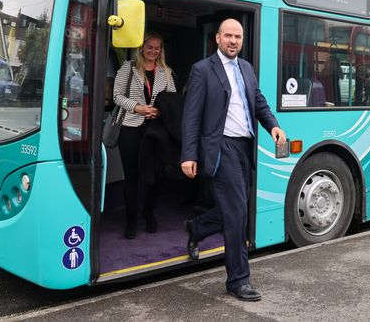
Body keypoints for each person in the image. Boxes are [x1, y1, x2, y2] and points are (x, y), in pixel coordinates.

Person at [180, 18, 286, 302]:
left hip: (243, 148)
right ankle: (238, 280)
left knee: (235, 206)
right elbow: (191, 117)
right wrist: (189, 154)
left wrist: (273, 125)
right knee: (238, 212)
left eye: (237, 36)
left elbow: (259, 101)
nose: (233, 41)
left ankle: (197, 227)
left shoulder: (247, 68)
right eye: (228, 36)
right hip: (220, 148)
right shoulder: (202, 70)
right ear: (217, 38)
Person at [113, 32, 176, 239]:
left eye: (157, 48)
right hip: (131, 128)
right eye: (149, 47)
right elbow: (117, 96)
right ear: (142, 48)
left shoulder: (166, 72)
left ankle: (149, 213)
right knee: (131, 176)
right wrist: (139, 108)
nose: (153, 51)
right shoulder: (128, 68)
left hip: (155, 130)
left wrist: (160, 111)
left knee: (157, 174)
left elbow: (173, 101)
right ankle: (131, 220)